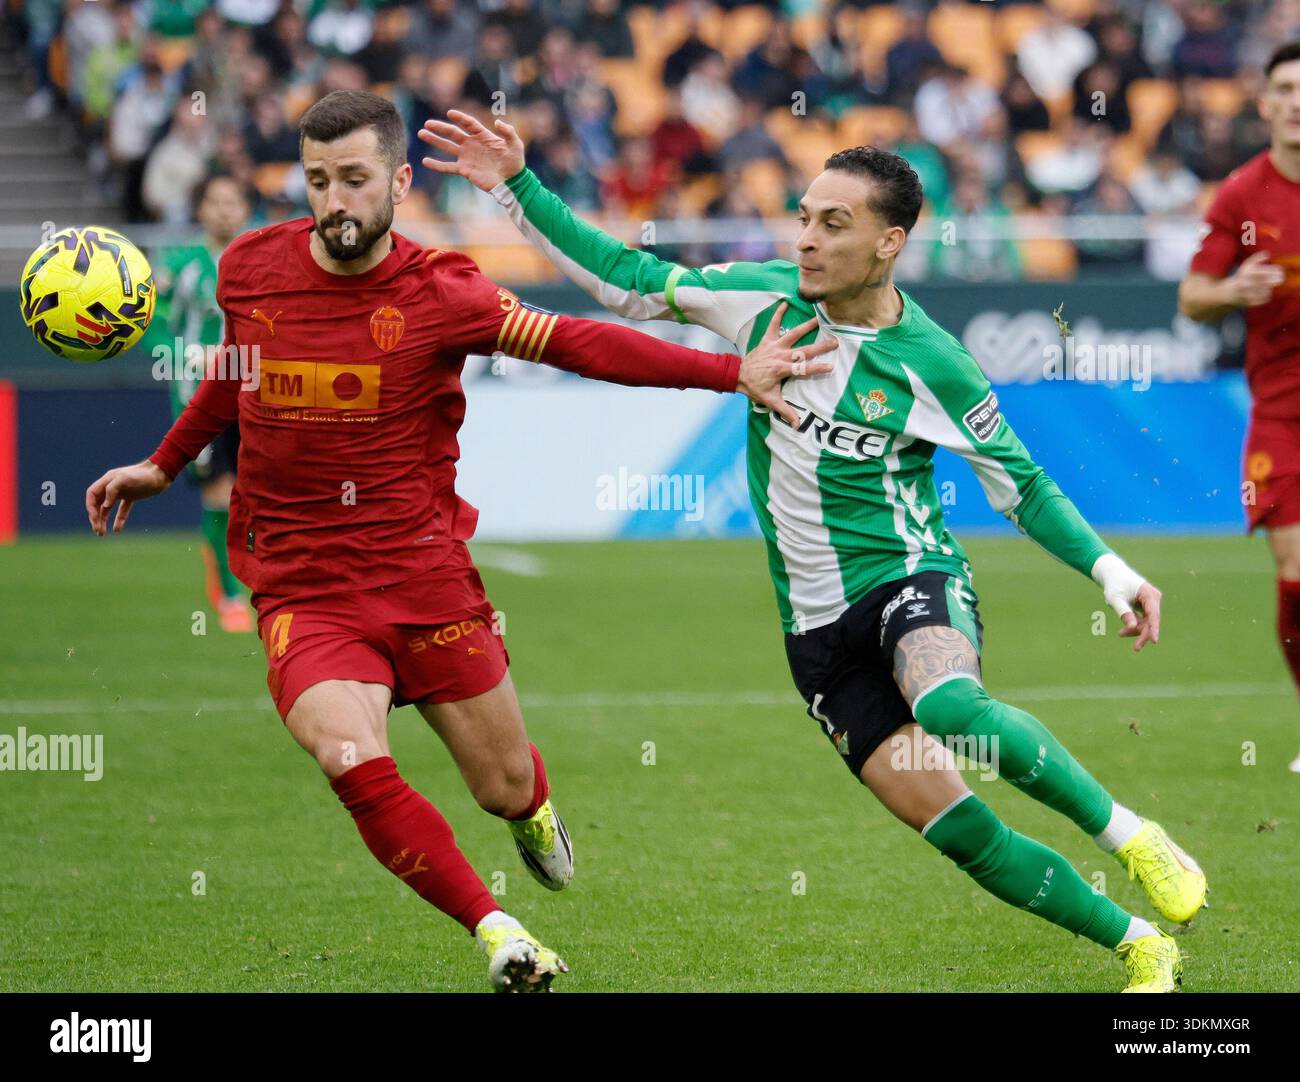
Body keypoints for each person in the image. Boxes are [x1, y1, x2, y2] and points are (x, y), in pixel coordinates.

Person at [422, 109, 1212, 992]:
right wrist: (516, 187)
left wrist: (1113, 572)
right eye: (803, 216)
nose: (805, 239)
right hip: (818, 638)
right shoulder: (761, 301)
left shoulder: (933, 363)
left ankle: (1131, 837)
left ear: (889, 243)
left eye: (833, 225)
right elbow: (628, 279)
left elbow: (1021, 485)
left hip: (912, 582)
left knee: (952, 706)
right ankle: (1141, 944)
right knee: (962, 834)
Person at [85, 90, 830, 993]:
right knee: (345, 752)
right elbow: (229, 377)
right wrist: (164, 466)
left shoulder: (443, 291)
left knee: (503, 785)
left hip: (422, 579)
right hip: (303, 584)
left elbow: (578, 343)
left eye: (354, 179)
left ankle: (532, 812)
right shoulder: (251, 268)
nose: (335, 201)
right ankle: (499, 930)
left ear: (398, 181)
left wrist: (727, 373)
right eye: (317, 181)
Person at [1179, 41, 1300, 773]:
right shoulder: (1242, 195)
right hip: (1283, 414)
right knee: (1294, 567)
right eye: (1285, 89)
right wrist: (1232, 291)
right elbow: (1192, 297)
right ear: (1266, 104)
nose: (1297, 101)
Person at [146, 173, 256, 632]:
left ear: (245, 209)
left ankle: (259, 584)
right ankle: (230, 596)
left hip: (252, 393)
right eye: (215, 201)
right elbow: (145, 321)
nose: (225, 210)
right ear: (201, 210)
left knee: (255, 495)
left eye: (233, 201)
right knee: (219, 494)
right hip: (198, 397)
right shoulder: (181, 263)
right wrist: (180, 356)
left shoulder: (259, 260)